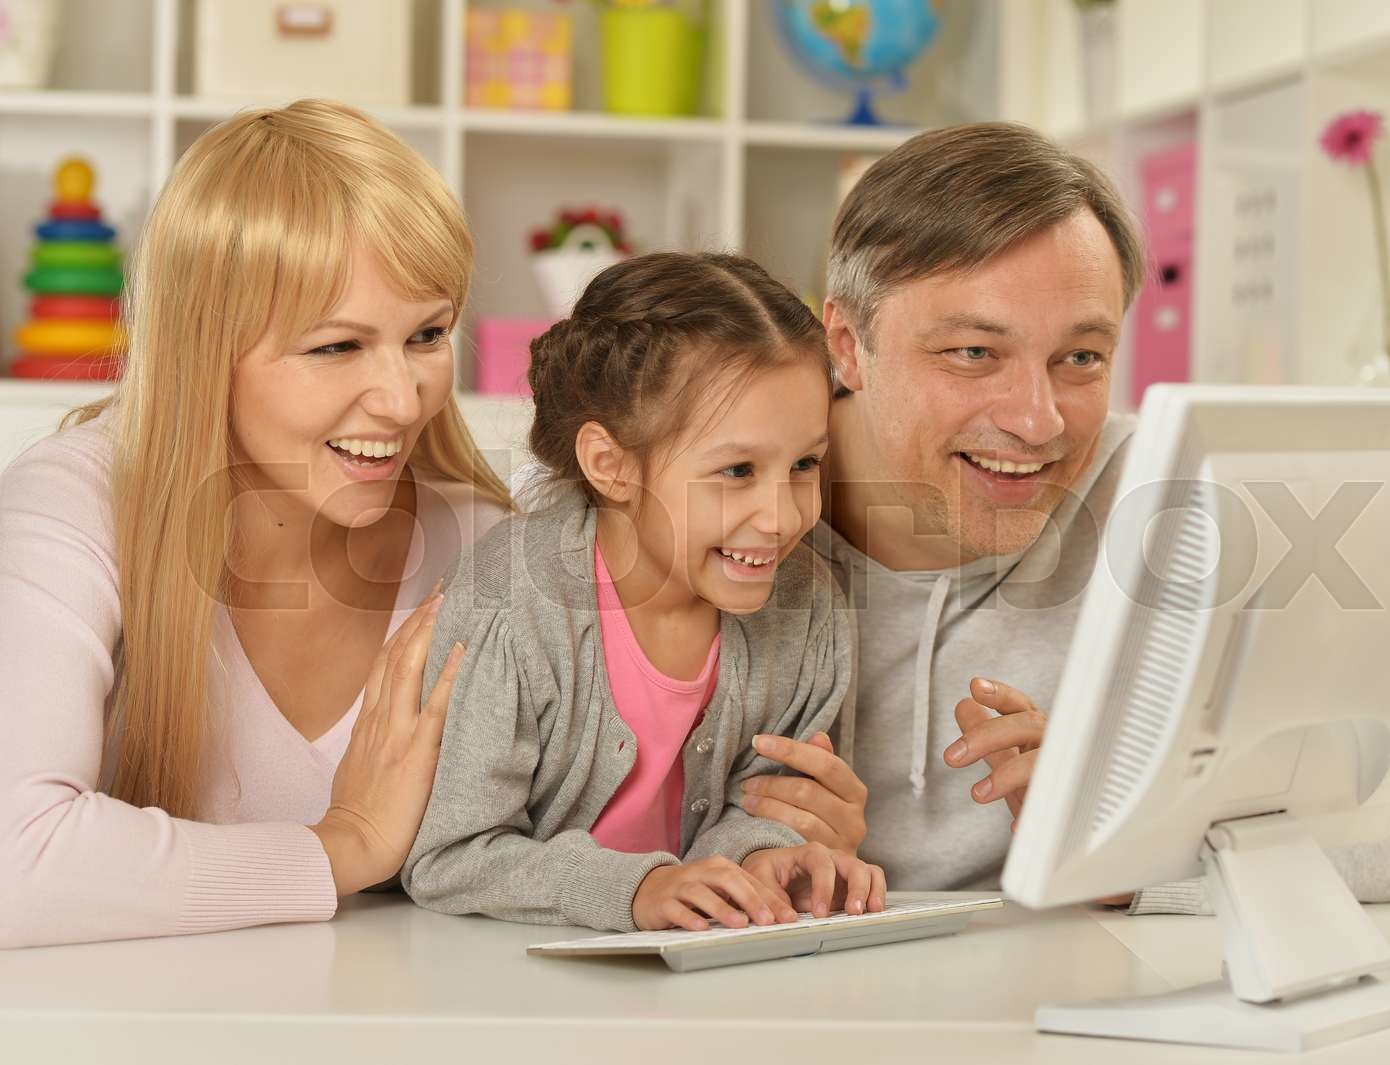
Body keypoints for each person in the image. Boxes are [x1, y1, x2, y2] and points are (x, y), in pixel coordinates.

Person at [725, 122, 1390, 912]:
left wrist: (1125, 839)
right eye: (974, 352)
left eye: (1080, 358)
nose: (1037, 420)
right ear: (847, 344)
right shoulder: (714, 518)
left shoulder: (1181, 496)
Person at [0, 100, 514, 949]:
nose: (401, 397)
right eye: (336, 347)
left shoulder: (485, 545)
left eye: (426, 333)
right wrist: (339, 846)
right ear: (207, 350)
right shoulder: (74, 505)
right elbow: (14, 863)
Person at [402, 253, 885, 932]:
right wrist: (638, 887)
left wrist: (769, 858)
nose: (782, 516)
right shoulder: (509, 608)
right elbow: (449, 857)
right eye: (737, 469)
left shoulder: (809, 611)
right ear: (612, 464)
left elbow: (769, 810)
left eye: (805, 463)